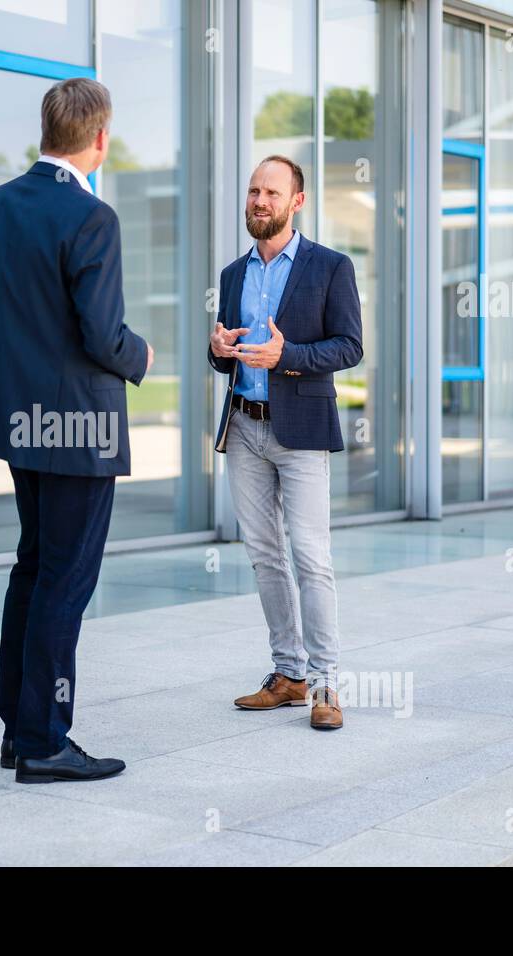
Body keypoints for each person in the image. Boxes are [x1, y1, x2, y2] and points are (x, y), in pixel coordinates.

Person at [0, 78, 153, 782]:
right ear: (99, 139)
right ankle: (44, 743)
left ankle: (21, 730)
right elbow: (103, 336)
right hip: (78, 426)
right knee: (65, 581)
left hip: (18, 422)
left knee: (34, 570)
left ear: (48, 131)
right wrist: (142, 356)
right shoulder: (91, 217)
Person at [208, 155, 363, 731]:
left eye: (271, 192)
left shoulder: (330, 267)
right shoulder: (233, 274)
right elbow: (226, 351)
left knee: (311, 559)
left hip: (299, 433)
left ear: (296, 202)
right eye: (253, 191)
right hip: (244, 428)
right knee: (264, 557)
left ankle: (325, 685)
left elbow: (349, 347)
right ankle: (288, 674)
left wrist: (288, 357)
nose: (258, 201)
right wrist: (219, 349)